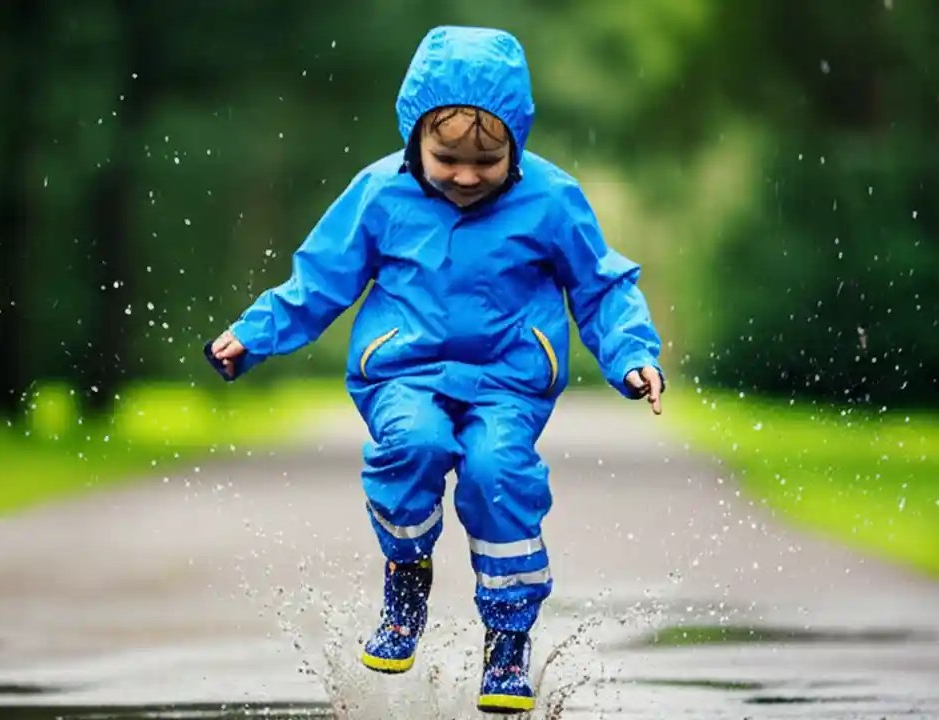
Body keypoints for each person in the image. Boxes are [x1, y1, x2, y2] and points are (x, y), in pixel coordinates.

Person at [205, 25, 664, 715]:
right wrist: (253, 334)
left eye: (488, 160)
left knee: (495, 476)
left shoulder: (551, 199)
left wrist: (632, 355)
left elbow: (602, 286)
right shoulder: (378, 194)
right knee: (412, 446)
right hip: (404, 373)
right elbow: (319, 279)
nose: (467, 177)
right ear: (414, 138)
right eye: (447, 158)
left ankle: (507, 641)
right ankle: (406, 577)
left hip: (508, 381)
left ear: (517, 141)